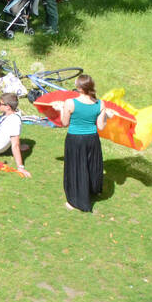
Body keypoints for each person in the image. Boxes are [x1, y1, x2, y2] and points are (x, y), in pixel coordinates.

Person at [60, 74, 108, 211]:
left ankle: (76, 201)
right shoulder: (100, 104)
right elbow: (101, 126)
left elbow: (64, 123)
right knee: (91, 165)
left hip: (75, 139)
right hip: (92, 138)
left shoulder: (70, 103)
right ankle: (92, 190)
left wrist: (60, 109)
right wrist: (106, 116)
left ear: (80, 88)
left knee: (76, 168)